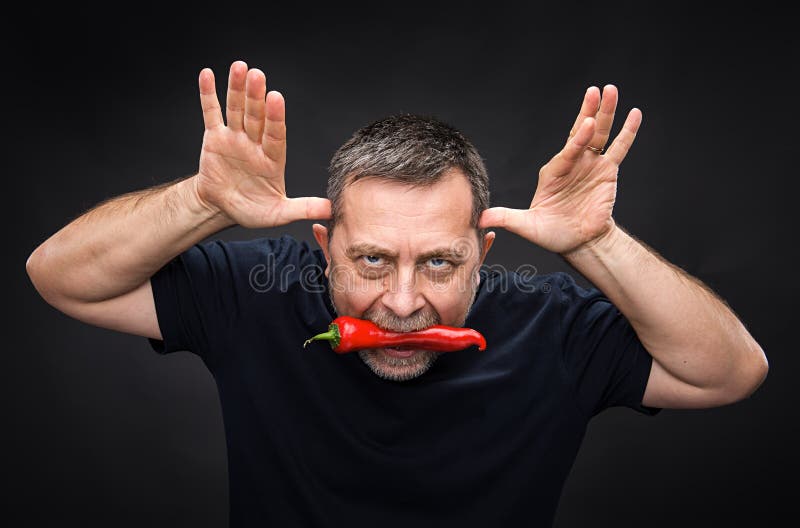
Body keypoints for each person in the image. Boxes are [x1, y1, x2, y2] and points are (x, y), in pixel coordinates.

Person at [26, 60, 769, 527]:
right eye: (373, 260)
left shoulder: (558, 332)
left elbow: (732, 373)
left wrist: (596, 243)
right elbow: (60, 276)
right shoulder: (254, 299)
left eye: (441, 264)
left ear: (484, 254)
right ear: (325, 249)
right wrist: (203, 204)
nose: (404, 301)